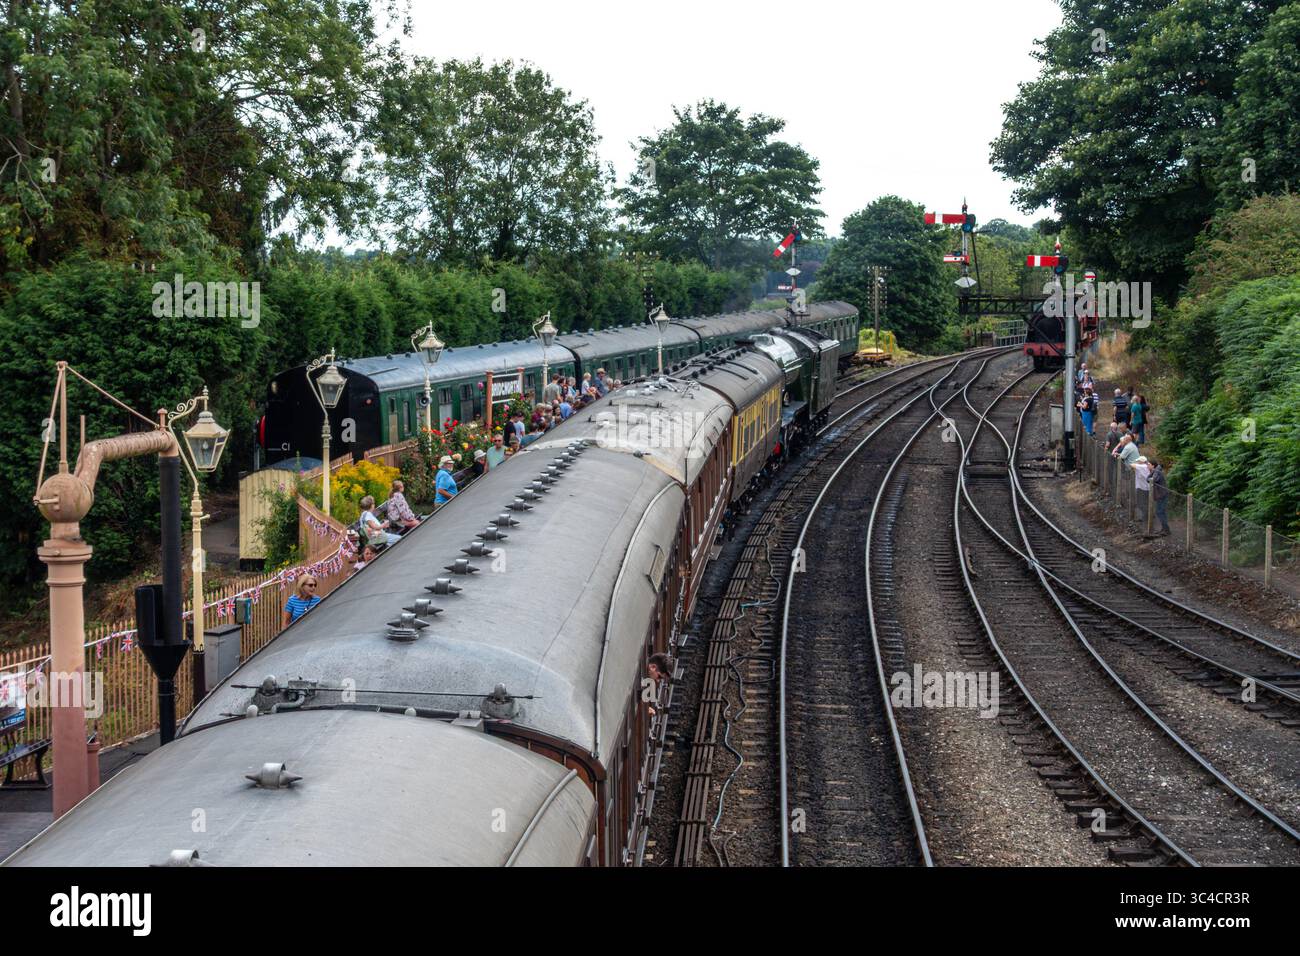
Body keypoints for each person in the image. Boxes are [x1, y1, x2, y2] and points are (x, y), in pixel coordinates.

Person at [1150, 458, 1170, 535]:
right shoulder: (1156, 471)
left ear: (1152, 465)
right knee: (1161, 512)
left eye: (1148, 464)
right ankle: (1164, 528)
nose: (1147, 466)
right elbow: (1148, 479)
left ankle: (1166, 529)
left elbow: (1152, 480)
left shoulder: (1157, 472)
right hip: (1161, 494)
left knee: (1159, 512)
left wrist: (1151, 477)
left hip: (1162, 495)